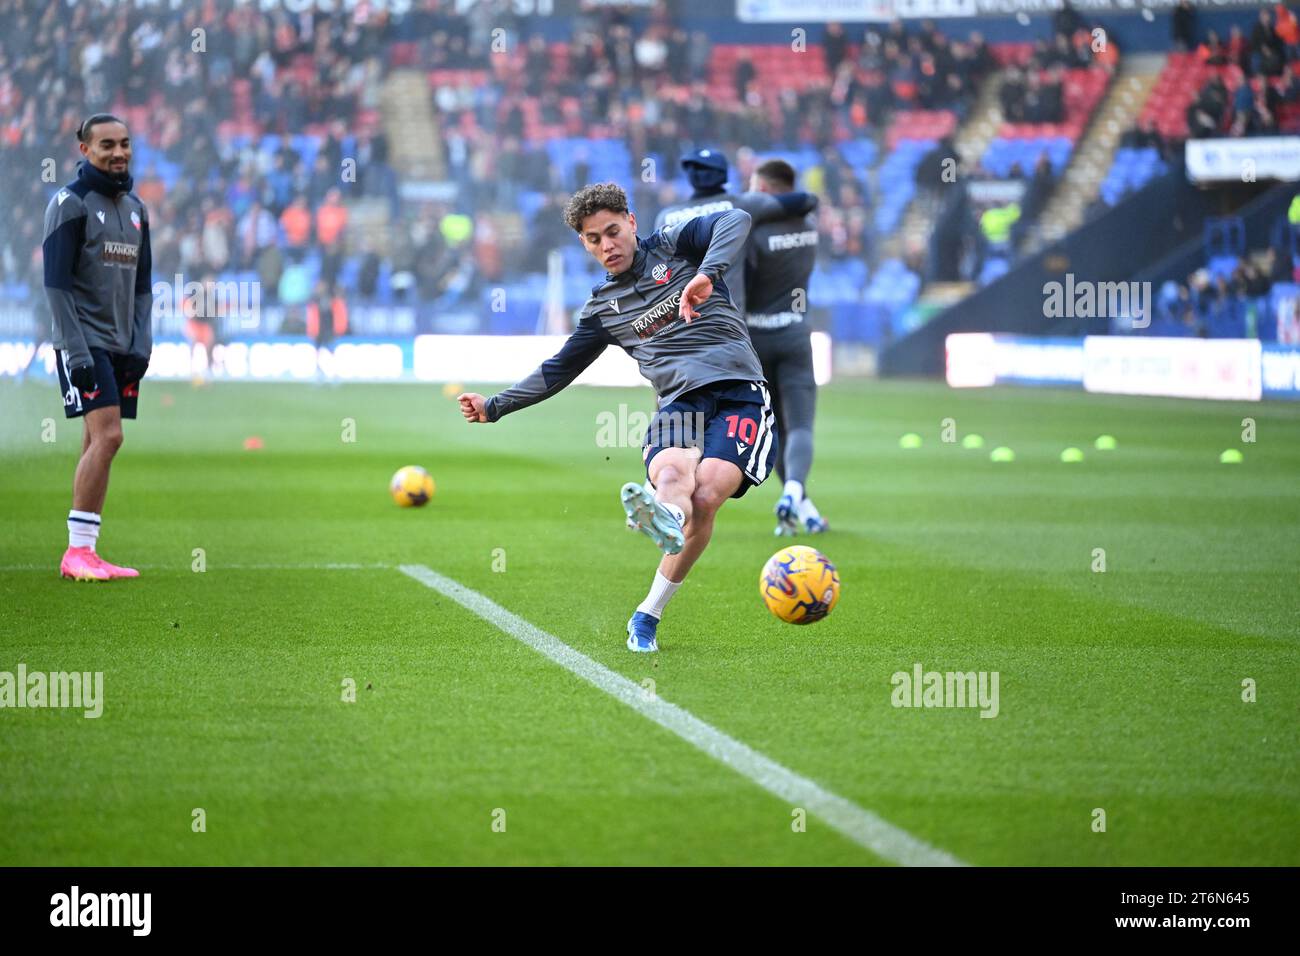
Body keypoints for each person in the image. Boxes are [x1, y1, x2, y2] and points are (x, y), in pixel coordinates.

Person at [456, 183, 777, 653]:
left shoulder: (674, 244)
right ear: (583, 244)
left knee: (707, 494)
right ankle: (664, 514)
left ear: (631, 221)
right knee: (671, 472)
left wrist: (708, 273)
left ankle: (648, 610)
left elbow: (737, 221)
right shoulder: (603, 310)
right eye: (592, 239)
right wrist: (496, 405)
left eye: (612, 231)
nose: (606, 245)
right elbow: (557, 370)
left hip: (740, 392)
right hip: (679, 402)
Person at [43, 113, 154, 581]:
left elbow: (144, 287)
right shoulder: (69, 204)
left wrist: (142, 344)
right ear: (84, 149)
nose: (119, 152)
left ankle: (85, 552)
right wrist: (77, 352)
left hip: (121, 345)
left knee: (95, 438)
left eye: (125, 143)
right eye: (107, 144)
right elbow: (56, 286)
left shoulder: (136, 209)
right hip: (84, 342)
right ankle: (77, 552)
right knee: (109, 437)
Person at [742, 159, 829, 536]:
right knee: (801, 425)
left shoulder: (753, 232)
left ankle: (801, 503)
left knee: (771, 427)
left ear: (762, 190)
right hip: (796, 334)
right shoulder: (809, 228)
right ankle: (798, 496)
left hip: (757, 340)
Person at [653, 148, 819, 315]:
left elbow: (660, 276)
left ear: (689, 176)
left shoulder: (665, 218)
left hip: (684, 322)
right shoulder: (743, 205)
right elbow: (806, 201)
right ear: (724, 175)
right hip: (728, 325)